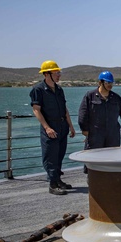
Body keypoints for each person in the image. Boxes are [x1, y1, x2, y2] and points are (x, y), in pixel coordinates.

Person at [30, 60, 75, 195]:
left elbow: (64, 108)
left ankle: (58, 180)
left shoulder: (59, 89)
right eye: (56, 72)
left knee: (59, 154)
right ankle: (52, 184)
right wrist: (47, 128)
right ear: (47, 74)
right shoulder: (38, 89)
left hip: (62, 126)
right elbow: (36, 110)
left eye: (59, 72)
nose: (59, 75)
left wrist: (71, 126)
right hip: (50, 126)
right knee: (50, 155)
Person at [78, 71, 121, 151]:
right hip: (95, 135)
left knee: (112, 158)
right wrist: (84, 129)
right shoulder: (90, 96)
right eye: (107, 82)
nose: (110, 85)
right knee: (93, 157)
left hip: (113, 135)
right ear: (100, 82)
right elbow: (83, 113)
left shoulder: (116, 98)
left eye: (111, 83)